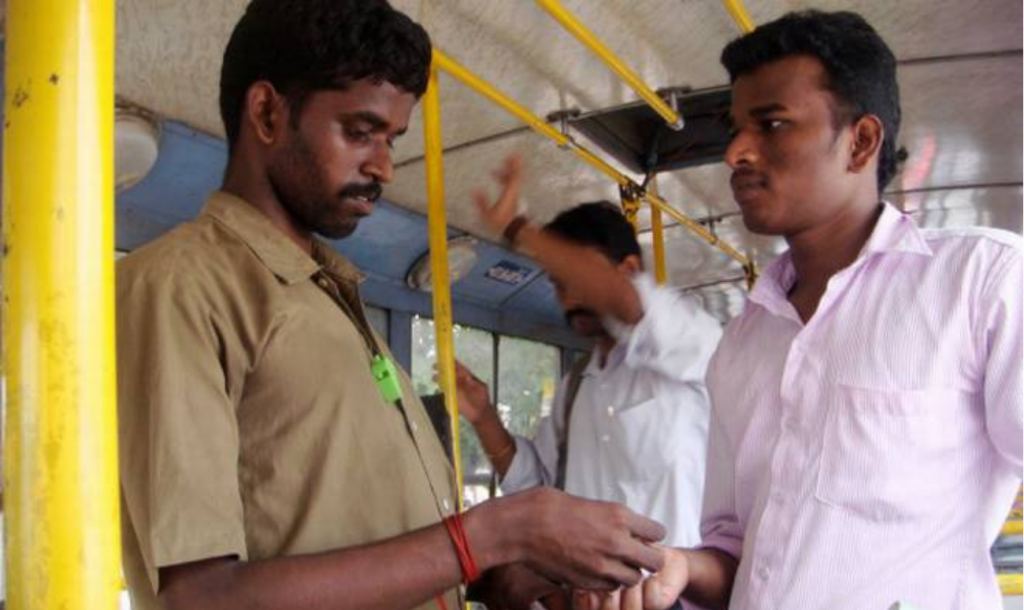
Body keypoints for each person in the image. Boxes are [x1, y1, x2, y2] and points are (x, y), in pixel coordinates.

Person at [115, 2, 668, 610]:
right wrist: (493, 533)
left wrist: (506, 576)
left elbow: (367, 537)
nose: (383, 166)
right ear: (269, 112)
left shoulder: (333, 297)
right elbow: (199, 598)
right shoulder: (183, 285)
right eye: (360, 132)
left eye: (392, 140)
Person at [578, 9, 1024, 610]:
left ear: (860, 142)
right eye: (735, 129)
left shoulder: (980, 283)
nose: (736, 152)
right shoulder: (742, 341)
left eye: (772, 124)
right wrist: (681, 568)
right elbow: (741, 555)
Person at [453, 167, 722, 609]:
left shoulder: (688, 347)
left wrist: (520, 230)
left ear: (629, 270)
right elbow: (537, 486)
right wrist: (483, 418)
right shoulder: (577, 386)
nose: (568, 297)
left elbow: (632, 304)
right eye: (557, 283)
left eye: (576, 276)